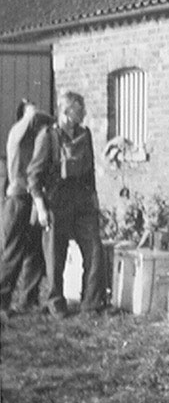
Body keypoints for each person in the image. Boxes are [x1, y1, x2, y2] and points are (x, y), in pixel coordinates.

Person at [28, 92, 105, 317]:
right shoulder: (48, 136)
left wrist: (95, 199)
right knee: (55, 256)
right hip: (55, 201)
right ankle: (55, 302)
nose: (84, 114)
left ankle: (91, 303)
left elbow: (90, 171)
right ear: (66, 112)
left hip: (82, 201)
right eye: (79, 110)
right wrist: (41, 207)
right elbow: (33, 176)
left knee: (94, 250)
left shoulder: (85, 134)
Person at [0, 101, 54, 319]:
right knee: (12, 253)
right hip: (18, 200)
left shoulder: (34, 140)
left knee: (35, 252)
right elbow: (32, 117)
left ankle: (27, 301)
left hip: (32, 199)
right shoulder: (16, 134)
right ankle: (2, 302)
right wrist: (30, 109)